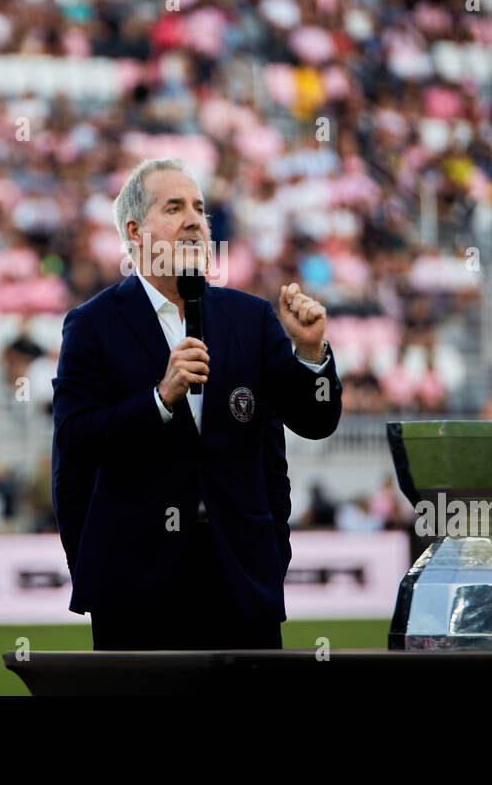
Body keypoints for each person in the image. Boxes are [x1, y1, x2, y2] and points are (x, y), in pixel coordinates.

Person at [51, 158, 343, 650]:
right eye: (174, 207)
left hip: (241, 581)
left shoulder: (250, 318)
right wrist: (160, 400)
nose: (194, 219)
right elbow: (76, 444)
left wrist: (312, 355)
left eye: (200, 209)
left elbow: (316, 420)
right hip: (136, 589)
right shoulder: (92, 325)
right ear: (134, 231)